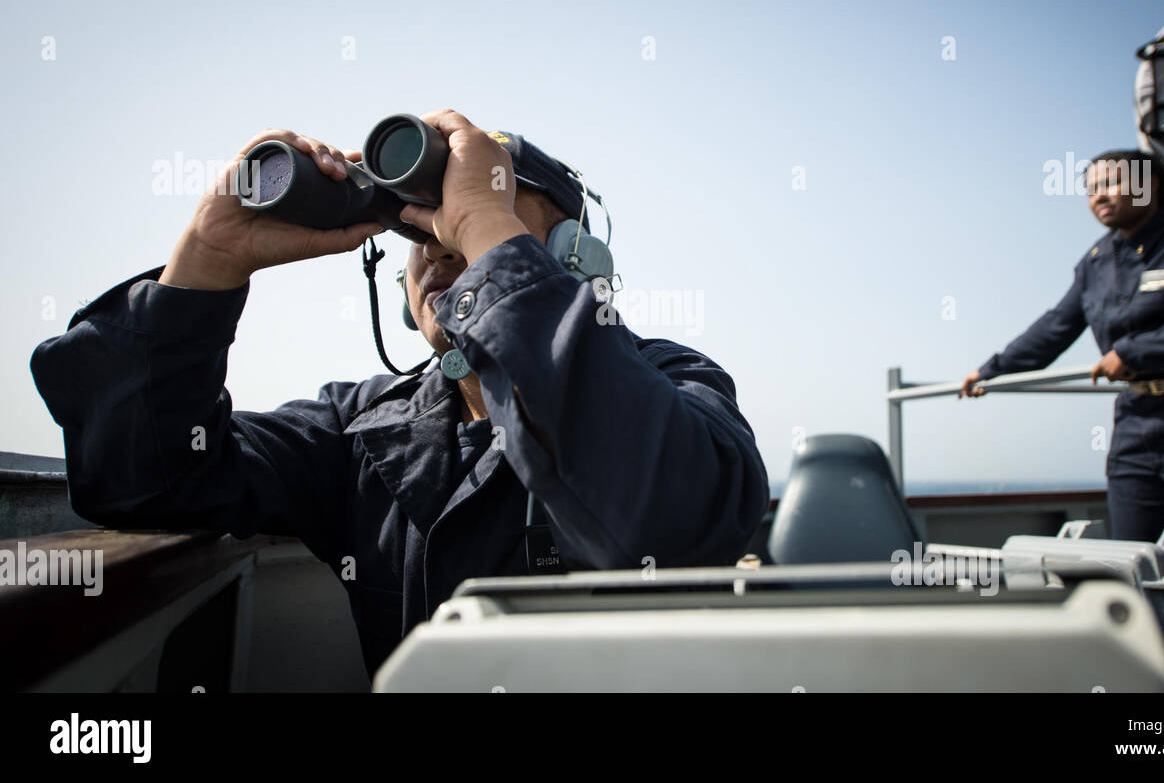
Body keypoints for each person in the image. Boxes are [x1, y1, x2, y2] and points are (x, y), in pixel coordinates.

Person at [31, 109, 769, 676]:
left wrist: (487, 227)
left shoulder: (673, 383)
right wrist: (204, 263)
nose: (446, 245)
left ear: (576, 260)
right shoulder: (361, 432)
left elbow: (668, 526)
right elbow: (143, 479)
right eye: (423, 221)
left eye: (479, 220)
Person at [958, 149, 1164, 551]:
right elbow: (1056, 326)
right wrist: (993, 370)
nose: (1099, 195)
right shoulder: (1096, 261)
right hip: (1139, 426)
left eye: (1112, 183)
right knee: (1138, 561)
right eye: (1091, 188)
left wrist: (1135, 352)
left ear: (1150, 184)